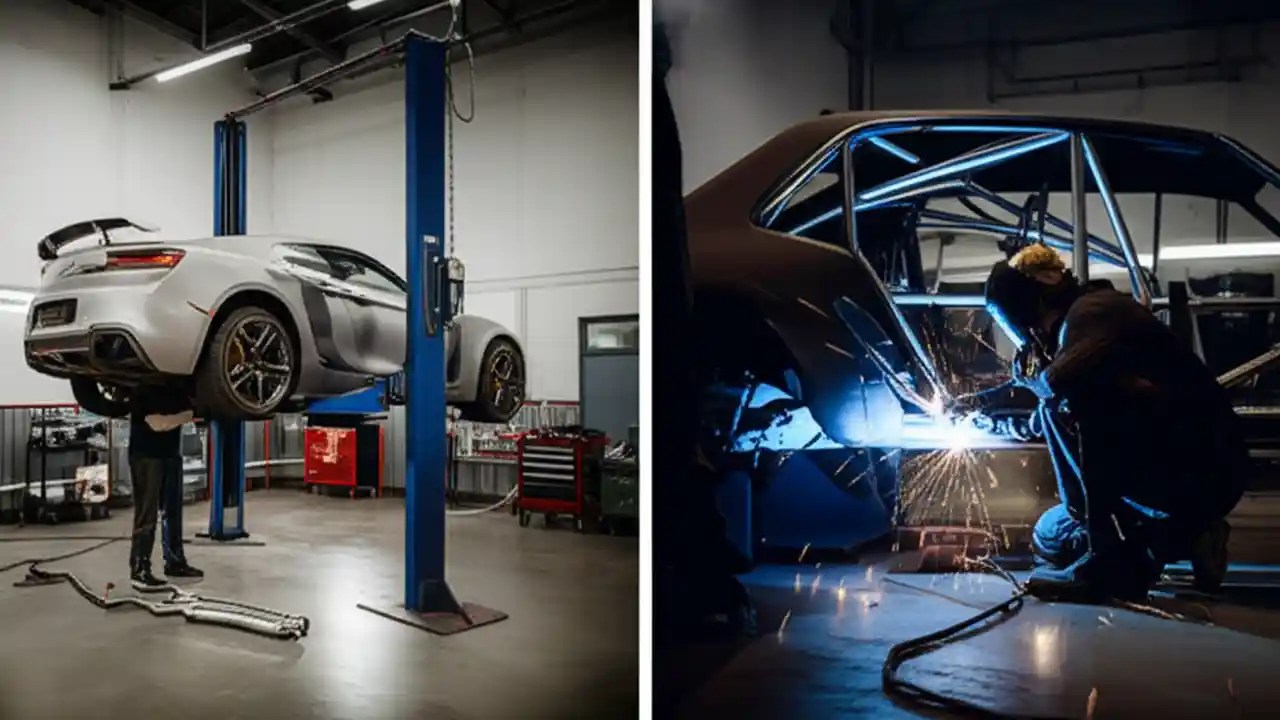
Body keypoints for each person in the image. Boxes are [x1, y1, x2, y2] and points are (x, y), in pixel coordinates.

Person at [975, 244, 1249, 600]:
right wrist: (997, 422)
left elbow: (1060, 385)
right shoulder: (1080, 324)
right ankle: (1185, 536)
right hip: (1177, 472)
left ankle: (1111, 563)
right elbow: (1047, 416)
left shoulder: (1095, 311)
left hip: (1198, 472)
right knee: (1050, 538)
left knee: (1068, 403)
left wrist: (1032, 381)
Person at [128, 384, 203, 590]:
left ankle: (175, 562)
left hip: (170, 453)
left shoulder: (176, 385)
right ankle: (139, 568)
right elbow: (158, 423)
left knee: (173, 512)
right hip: (146, 456)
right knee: (147, 514)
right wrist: (189, 414)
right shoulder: (142, 387)